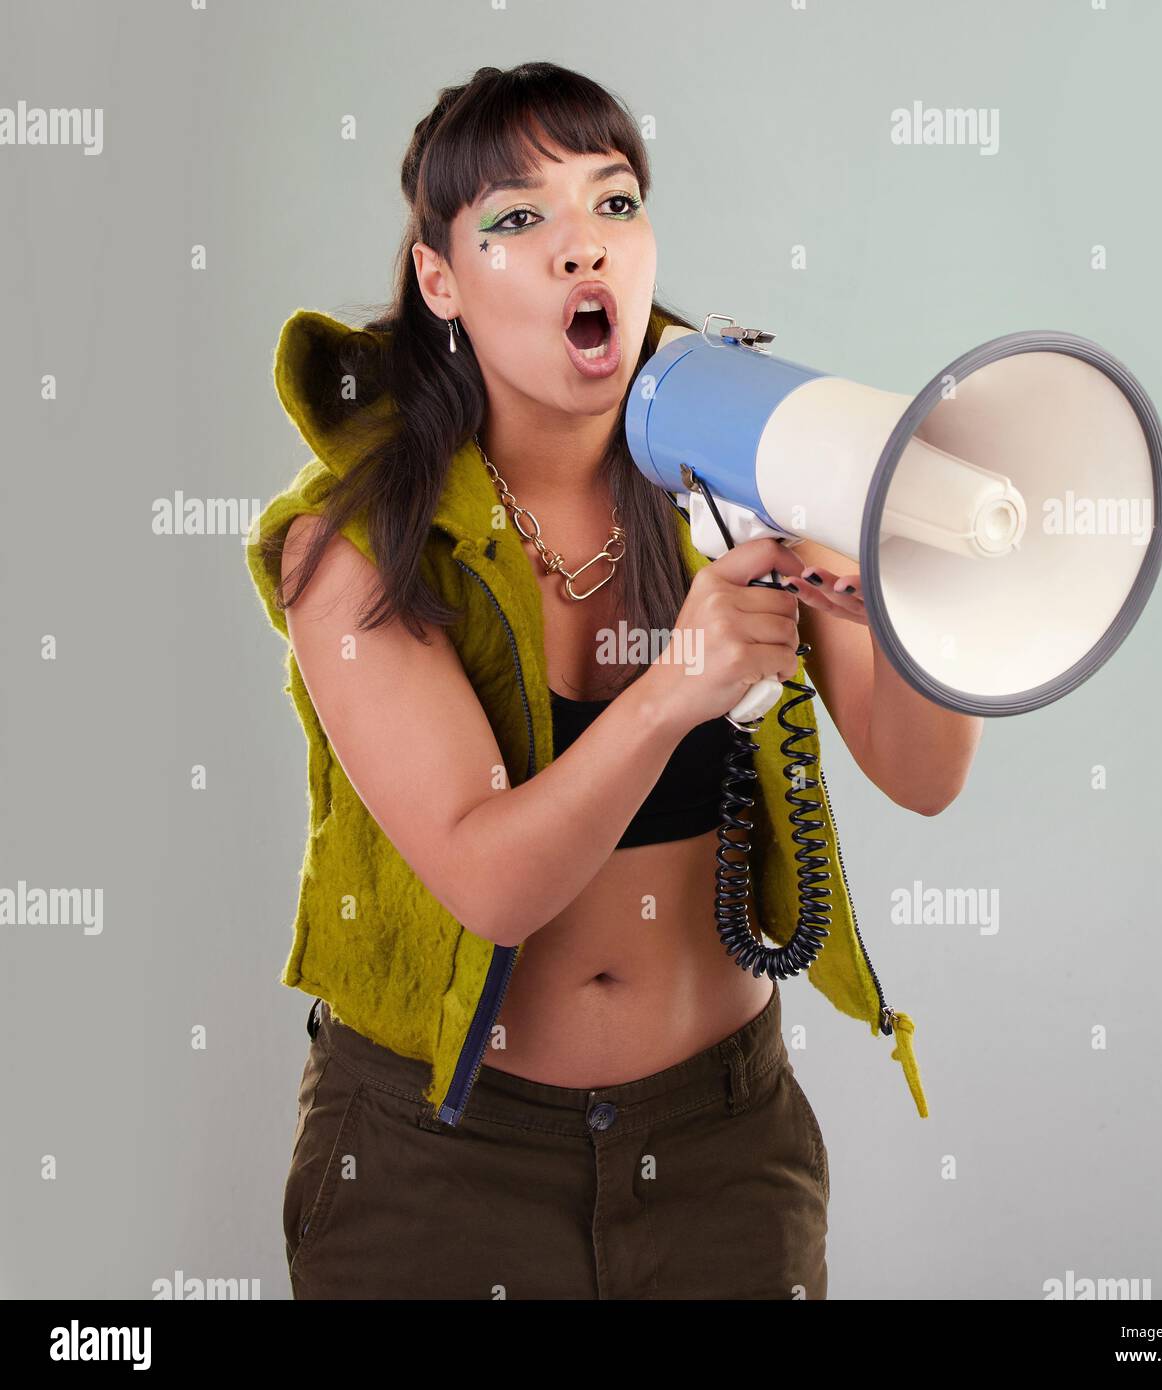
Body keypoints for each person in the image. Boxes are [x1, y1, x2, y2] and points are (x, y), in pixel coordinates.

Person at [247, 61, 978, 1301]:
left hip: (721, 1147)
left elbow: (921, 775)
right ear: (441, 282)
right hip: (439, 1162)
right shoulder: (355, 548)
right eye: (518, 220)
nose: (582, 249)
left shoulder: (746, 478)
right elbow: (490, 882)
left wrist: (915, 592)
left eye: (614, 204)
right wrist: (677, 685)